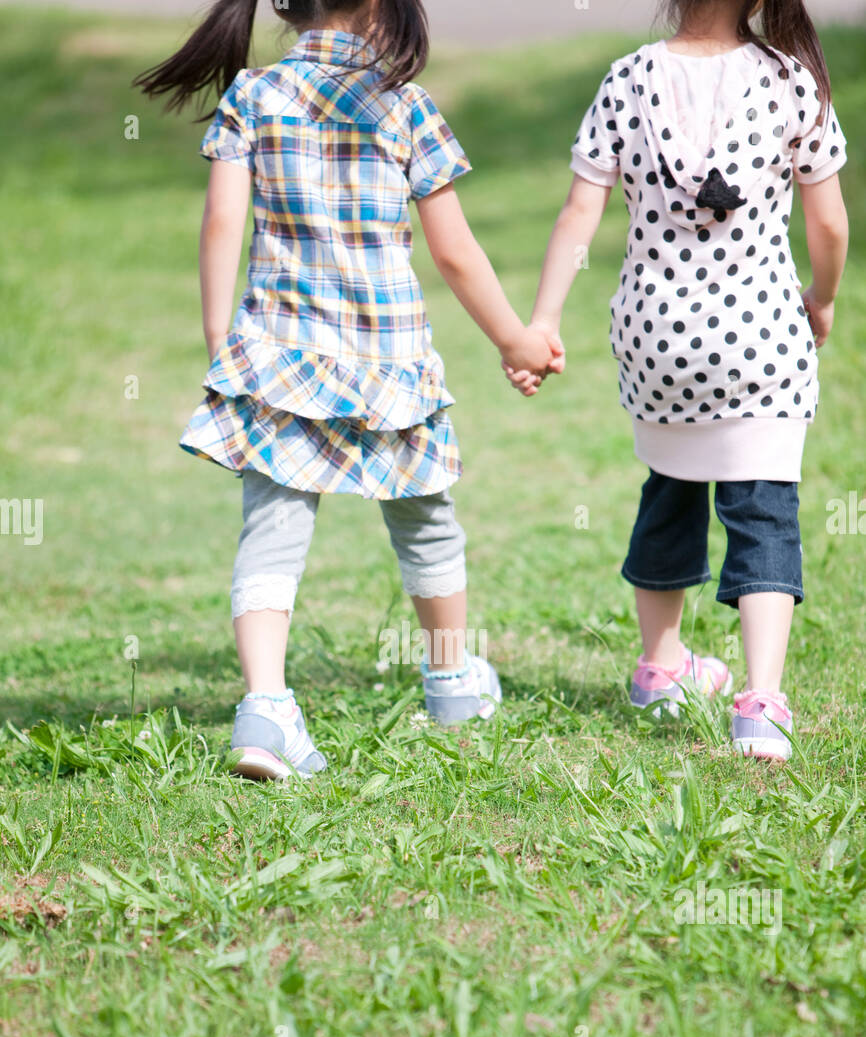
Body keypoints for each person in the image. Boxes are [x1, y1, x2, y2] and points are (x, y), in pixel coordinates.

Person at [137, 0, 561, 780]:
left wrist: (218, 338)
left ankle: (265, 709)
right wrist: (515, 339)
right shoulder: (404, 104)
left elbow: (221, 224)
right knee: (427, 522)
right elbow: (456, 251)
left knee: (271, 531)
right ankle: (451, 680)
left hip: (280, 356)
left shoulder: (253, 96)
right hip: (387, 362)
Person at [508, 0, 848, 761]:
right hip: (759, 333)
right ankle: (760, 703)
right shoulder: (795, 81)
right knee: (763, 507)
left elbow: (577, 214)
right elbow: (827, 225)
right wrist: (820, 297)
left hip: (656, 336)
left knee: (671, 486)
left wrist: (544, 321)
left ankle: (663, 667)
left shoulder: (627, 78)